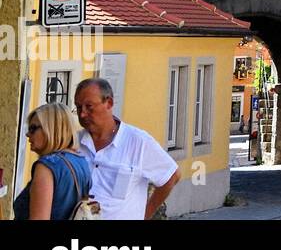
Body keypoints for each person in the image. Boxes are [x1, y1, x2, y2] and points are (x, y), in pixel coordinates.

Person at [74, 78, 179, 220]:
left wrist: (145, 214)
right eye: (79, 107)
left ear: (109, 103)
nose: (82, 114)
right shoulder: (74, 142)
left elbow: (171, 175)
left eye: (89, 107)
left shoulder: (138, 141)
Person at [12, 103, 94, 220]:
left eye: (33, 128)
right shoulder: (81, 161)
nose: (27, 134)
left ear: (51, 129)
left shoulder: (47, 167)